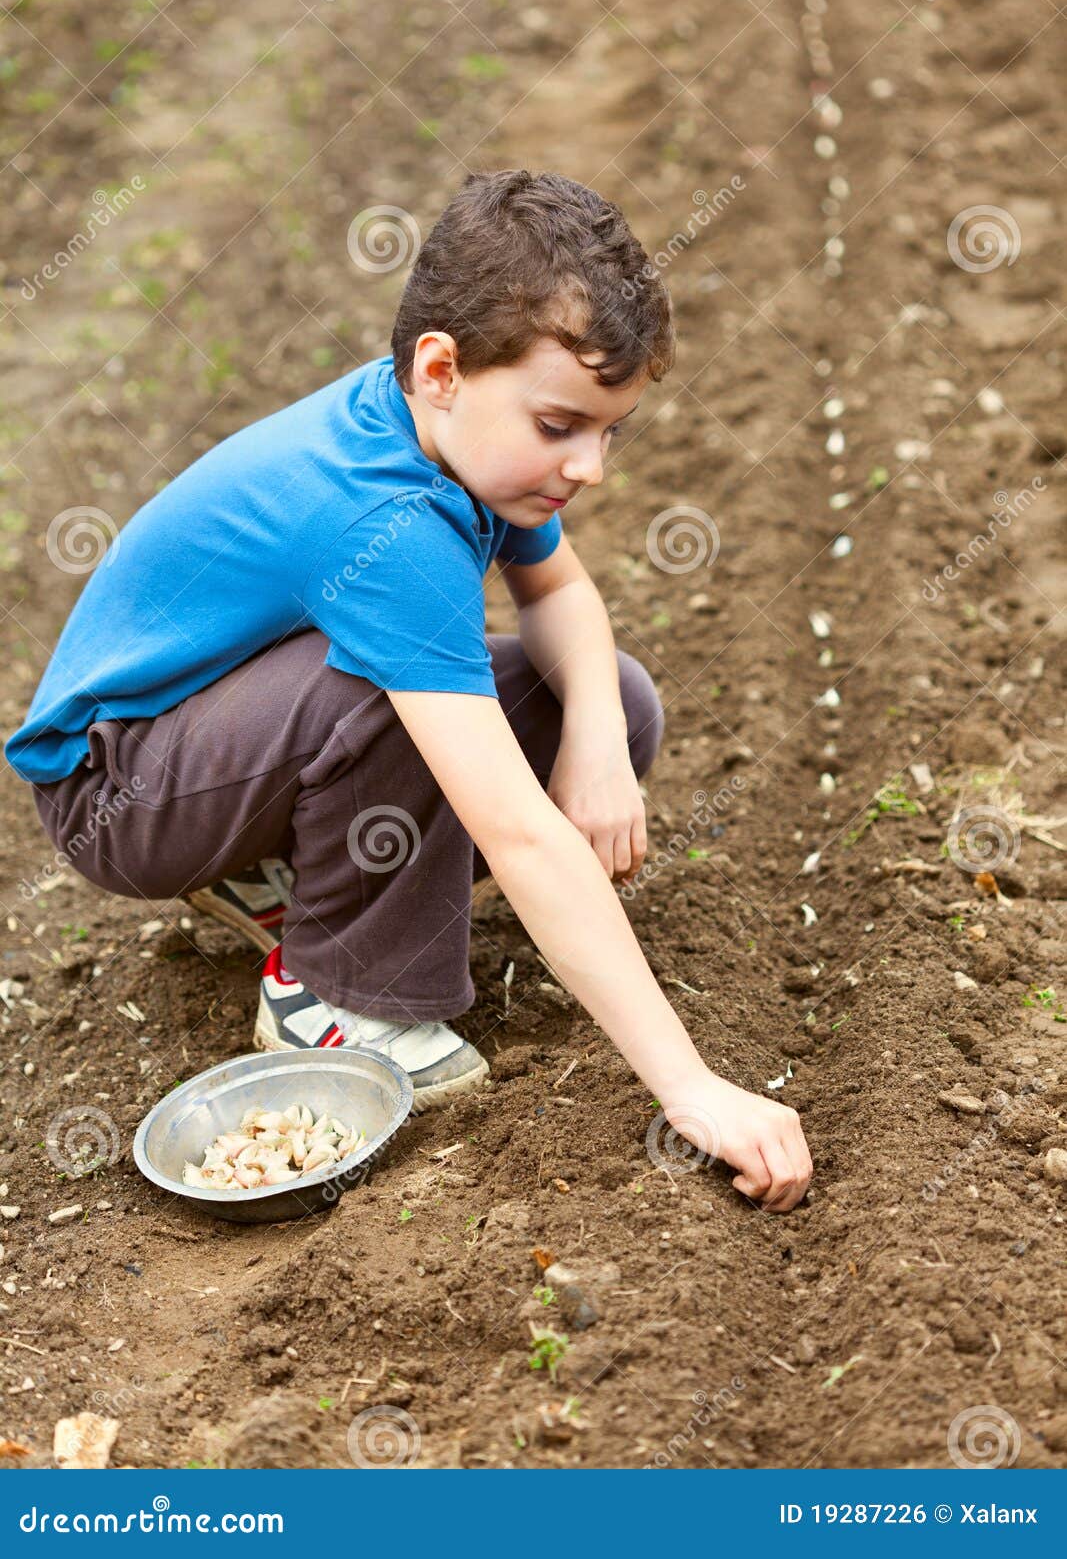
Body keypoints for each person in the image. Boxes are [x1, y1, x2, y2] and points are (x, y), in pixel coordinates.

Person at [5, 169, 812, 1213]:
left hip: (214, 737)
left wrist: (601, 742)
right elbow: (518, 834)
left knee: (603, 695)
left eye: (607, 432)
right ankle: (332, 993)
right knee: (397, 697)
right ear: (440, 366)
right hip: (116, 788)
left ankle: (285, 866)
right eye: (562, 424)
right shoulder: (382, 523)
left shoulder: (451, 430)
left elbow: (558, 588)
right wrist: (689, 1087)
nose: (592, 466)